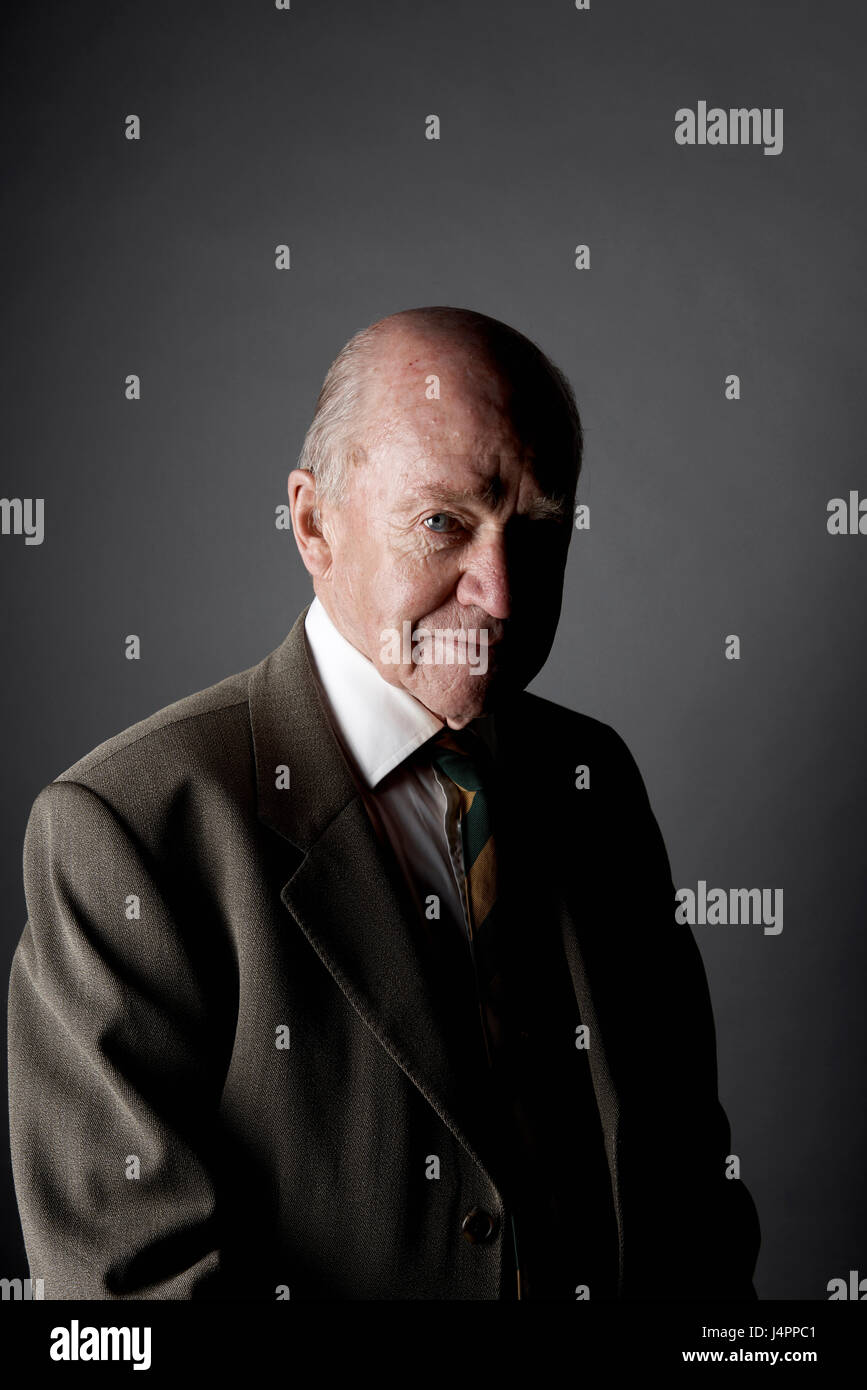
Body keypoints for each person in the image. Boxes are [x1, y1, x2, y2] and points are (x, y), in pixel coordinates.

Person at [7, 306, 760, 1300]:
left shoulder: (594, 779)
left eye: (535, 530)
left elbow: (687, 1198)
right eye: (445, 521)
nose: (498, 591)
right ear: (312, 522)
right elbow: (134, 1300)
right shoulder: (128, 827)